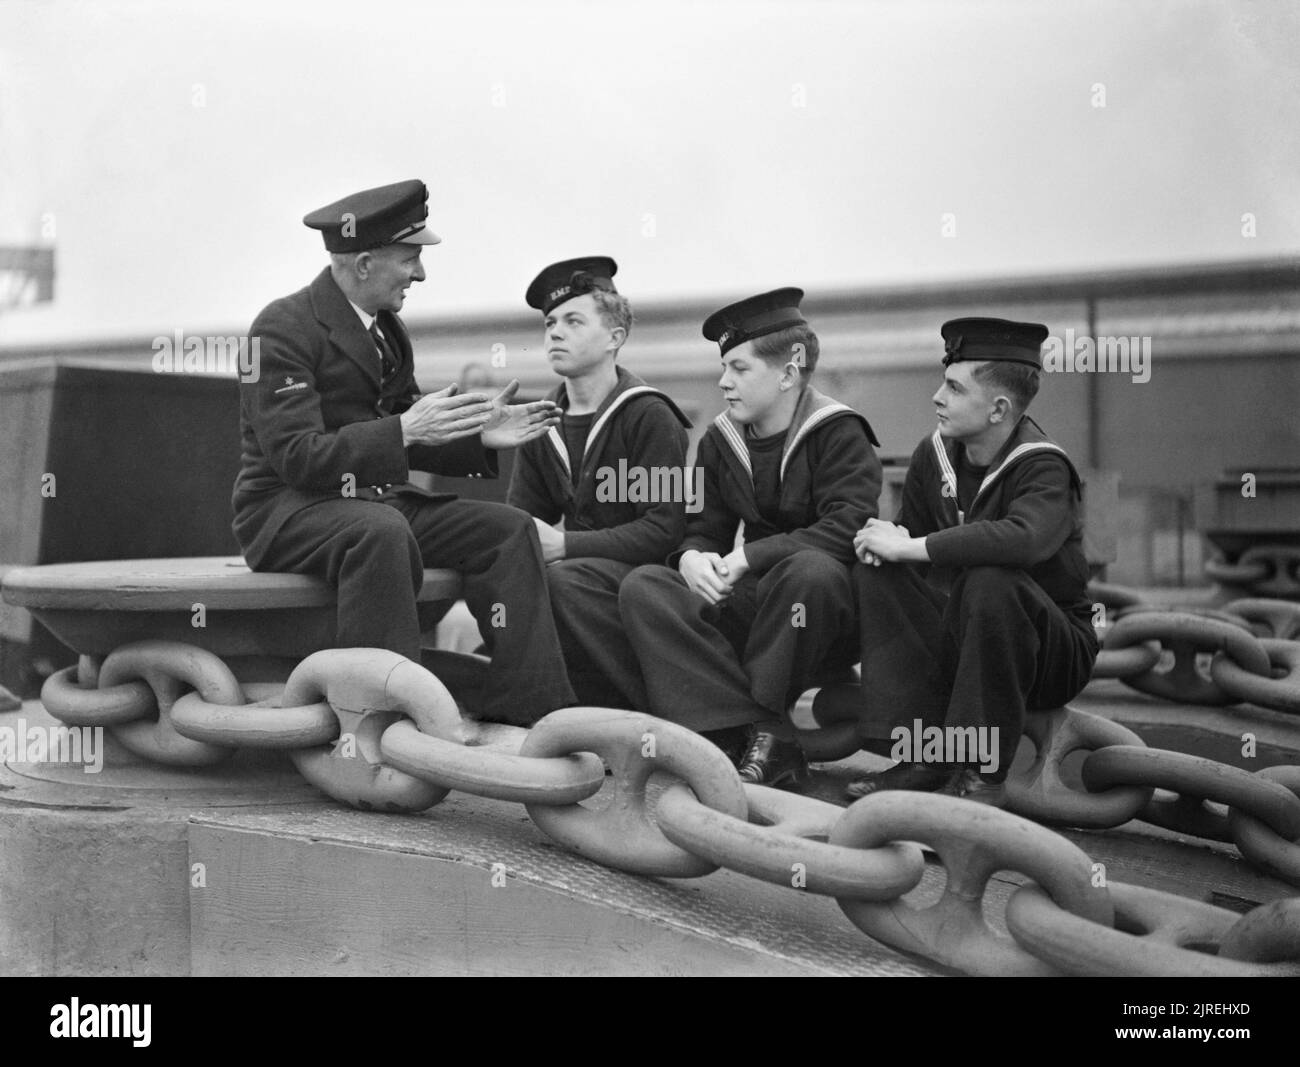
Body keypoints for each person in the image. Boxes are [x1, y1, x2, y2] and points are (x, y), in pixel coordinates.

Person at [231, 179, 575, 725]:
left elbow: (409, 422)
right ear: (364, 263)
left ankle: (532, 710)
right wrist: (405, 431)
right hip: (287, 513)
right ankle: (381, 718)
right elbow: (297, 457)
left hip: (370, 506)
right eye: (410, 258)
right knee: (381, 531)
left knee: (509, 531)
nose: (420, 274)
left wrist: (477, 433)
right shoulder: (279, 330)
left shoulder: (387, 330)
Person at [619, 288, 881, 788]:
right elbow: (700, 528)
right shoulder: (721, 440)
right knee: (647, 585)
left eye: (740, 369)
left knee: (809, 569)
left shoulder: (837, 432)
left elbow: (847, 527)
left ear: (787, 373)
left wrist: (748, 557)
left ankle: (761, 729)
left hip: (824, 612)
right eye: (725, 368)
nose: (724, 382)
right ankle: (736, 731)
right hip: (760, 603)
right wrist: (693, 558)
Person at [836, 317, 1099, 804]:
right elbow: (908, 547)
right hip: (964, 633)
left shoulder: (1043, 465)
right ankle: (922, 754)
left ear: (999, 408)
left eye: (955, 388)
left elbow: (1023, 541)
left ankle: (982, 773)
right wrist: (886, 541)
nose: (937, 397)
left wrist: (914, 545)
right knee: (878, 570)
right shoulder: (933, 455)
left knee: (991, 580)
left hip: (1047, 649)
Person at [508, 257, 692, 709]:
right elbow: (523, 517)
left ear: (615, 338)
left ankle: (659, 710)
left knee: (565, 581)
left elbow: (663, 531)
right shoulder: (543, 421)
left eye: (573, 321)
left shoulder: (649, 415)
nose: (555, 332)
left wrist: (565, 546)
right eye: (550, 322)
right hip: (579, 577)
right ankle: (554, 702)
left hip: (646, 584)